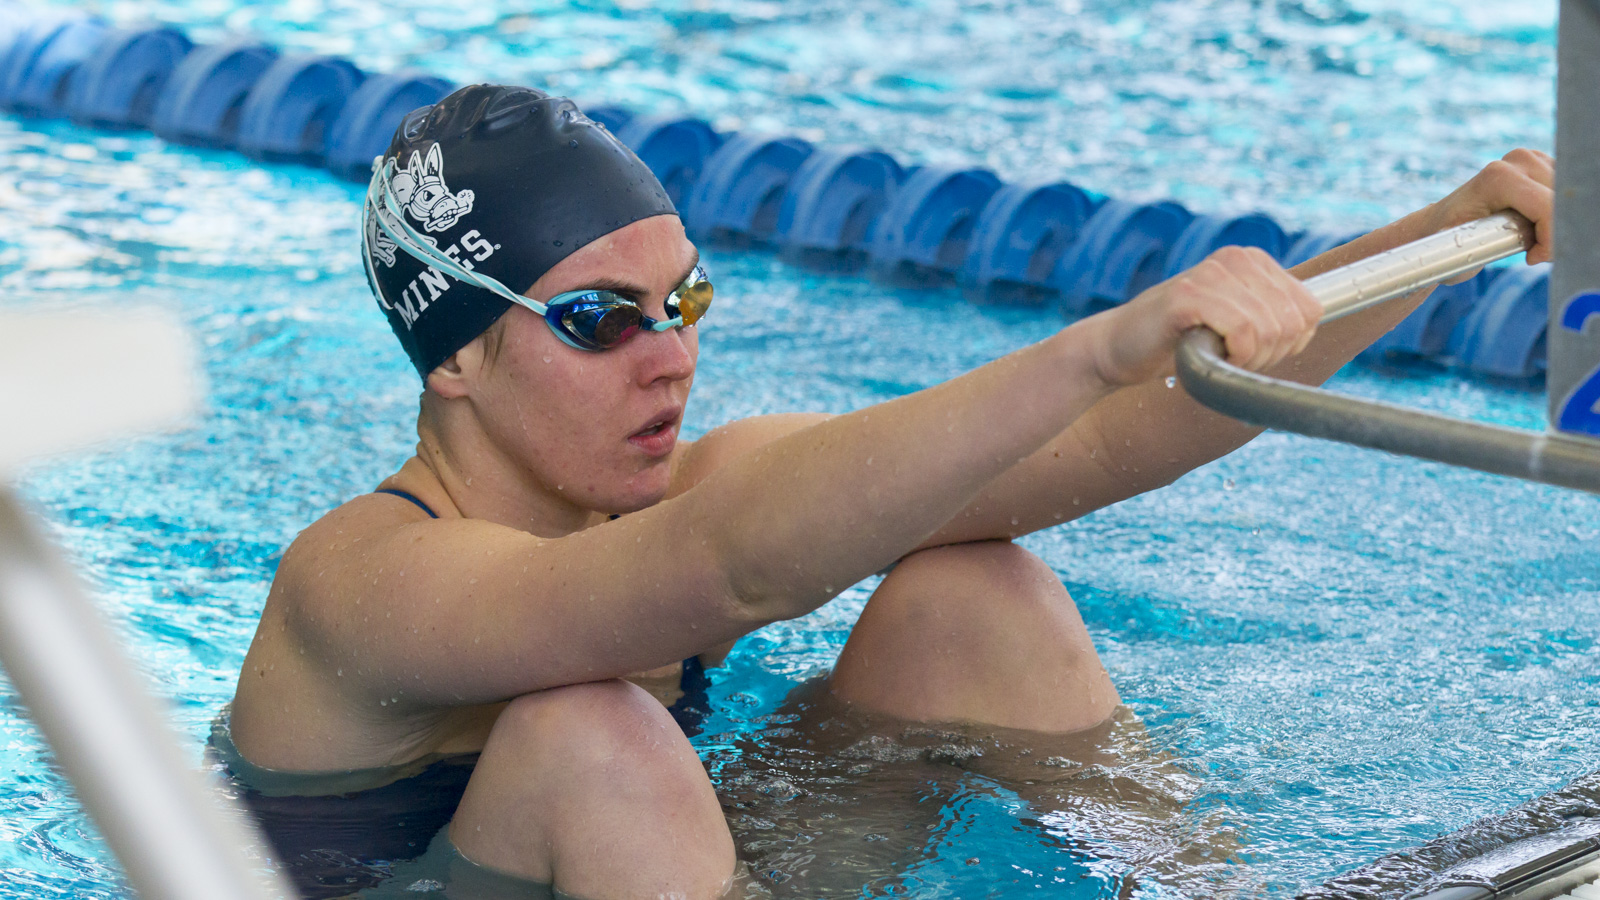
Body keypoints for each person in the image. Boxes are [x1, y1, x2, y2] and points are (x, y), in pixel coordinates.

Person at [224, 83, 1555, 900]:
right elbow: (734, 572)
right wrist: (1091, 340)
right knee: (592, 743)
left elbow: (1085, 451)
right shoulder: (362, 582)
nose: (672, 355)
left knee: (971, 590)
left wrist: (1438, 242)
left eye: (683, 299)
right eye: (598, 321)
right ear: (455, 355)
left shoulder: (691, 495)